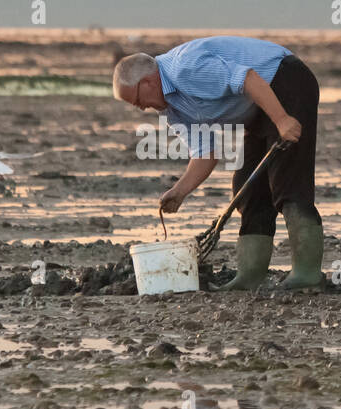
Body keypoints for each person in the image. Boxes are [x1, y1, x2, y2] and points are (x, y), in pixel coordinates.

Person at [112, 36, 323, 289]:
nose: (141, 109)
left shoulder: (186, 68)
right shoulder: (171, 110)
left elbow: (248, 79)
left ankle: (307, 276)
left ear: (146, 82)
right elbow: (206, 153)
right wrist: (179, 192)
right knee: (248, 189)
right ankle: (250, 277)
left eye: (136, 101)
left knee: (287, 181)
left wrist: (282, 120)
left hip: (286, 82)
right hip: (257, 109)